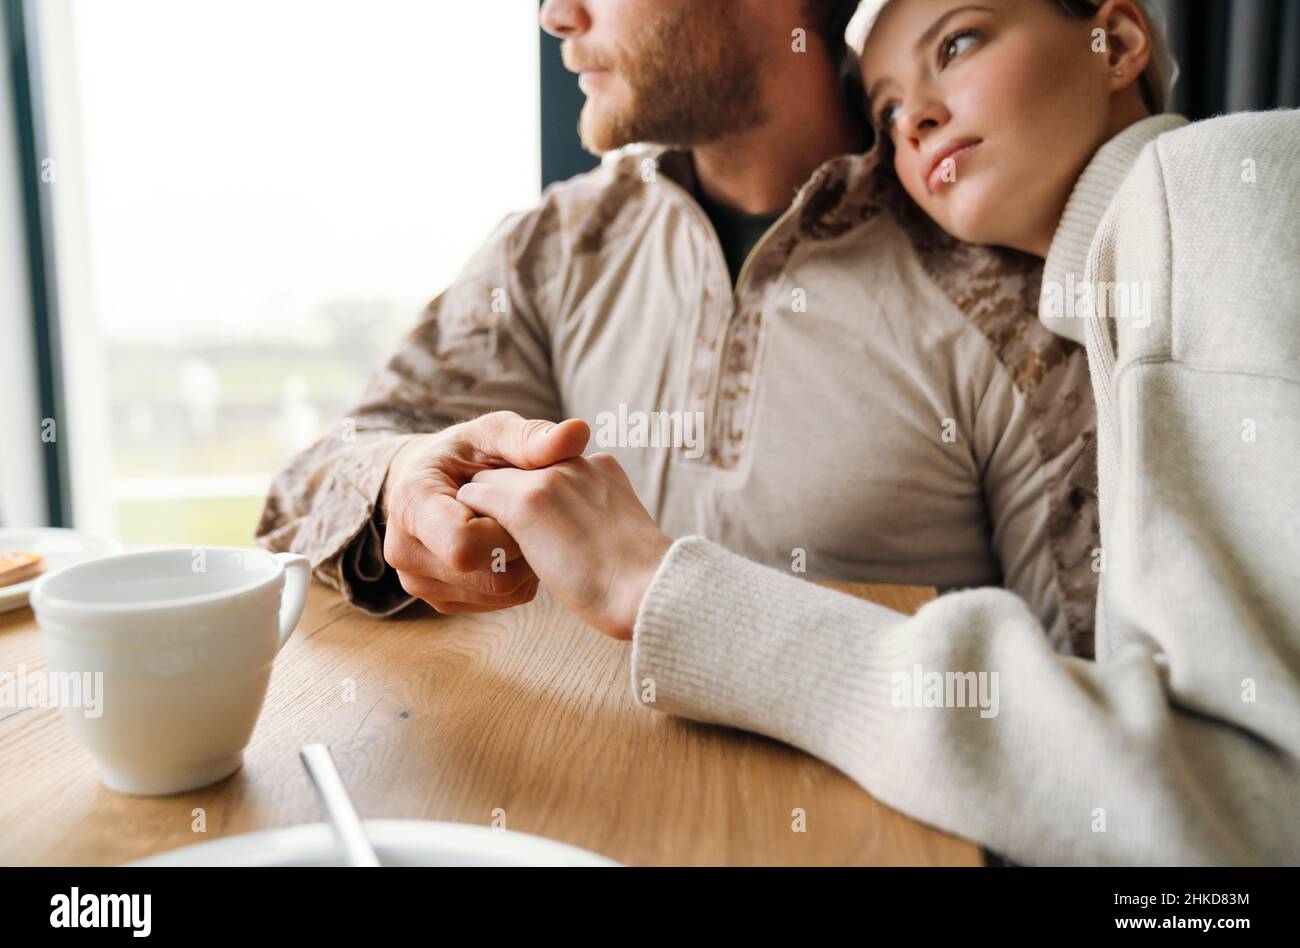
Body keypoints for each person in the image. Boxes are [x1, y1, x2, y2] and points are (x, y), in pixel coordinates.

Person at [455, 0, 1300, 863]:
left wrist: (667, 592)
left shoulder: (1209, 187)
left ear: (1116, 43)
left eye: (959, 42)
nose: (917, 119)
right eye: (887, 110)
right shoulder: (1107, 293)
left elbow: (1254, 815)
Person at [257, 0, 1102, 655]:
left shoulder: (1008, 279)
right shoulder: (558, 248)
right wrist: (401, 479)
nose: (556, 14)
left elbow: (1081, 691)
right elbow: (307, 488)